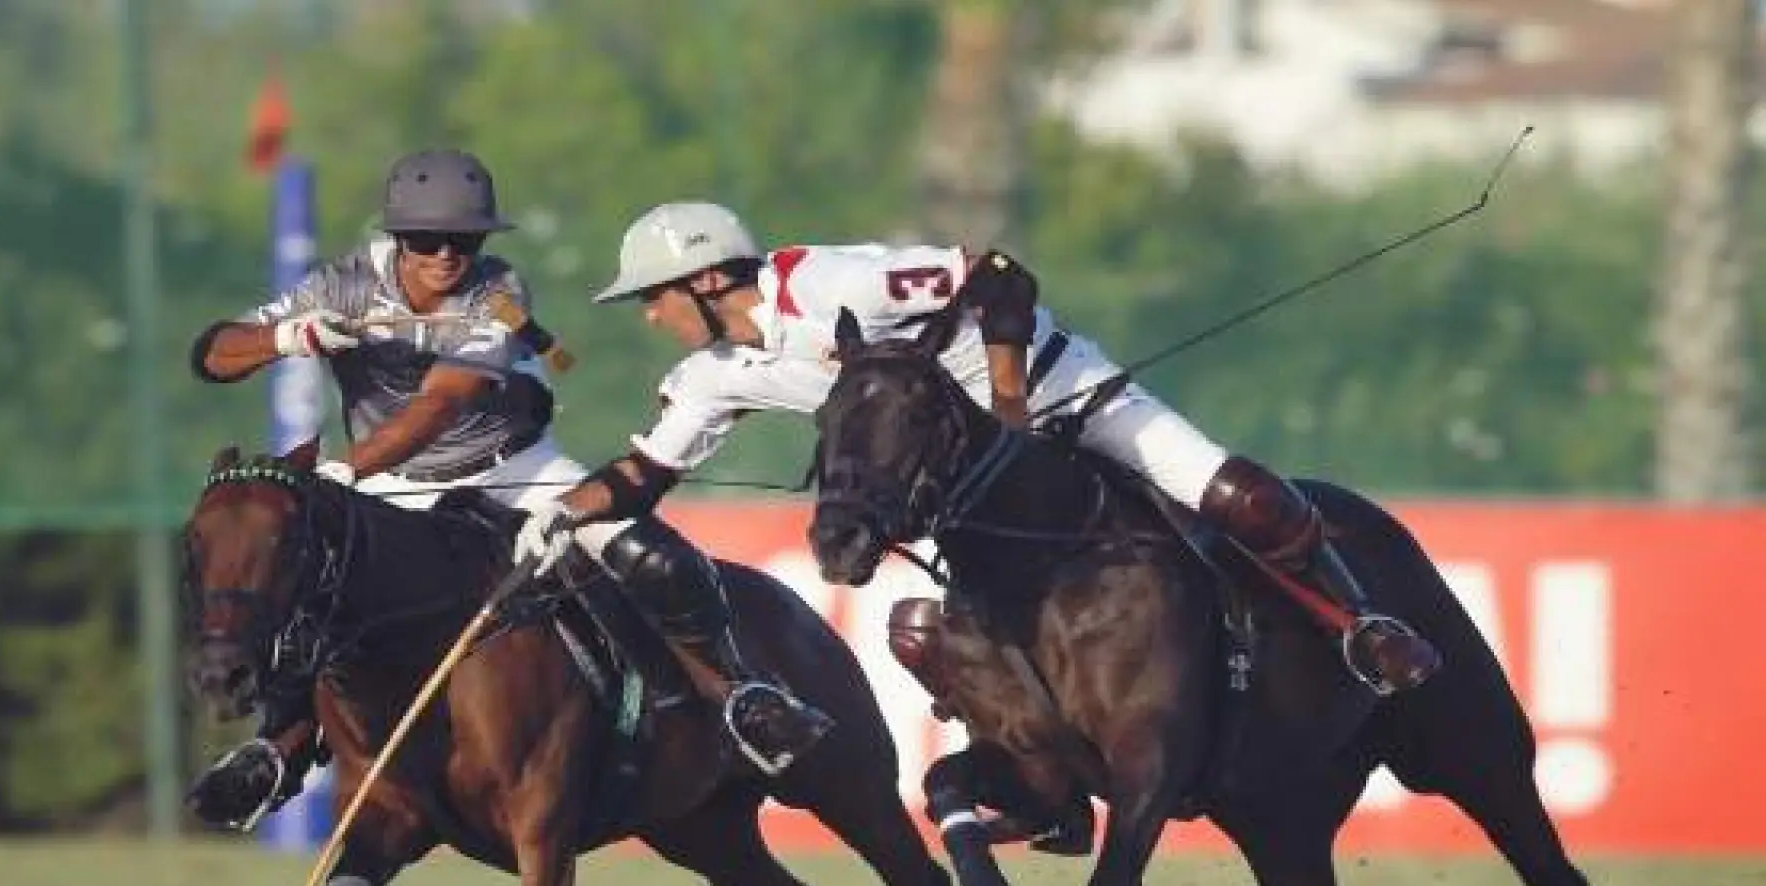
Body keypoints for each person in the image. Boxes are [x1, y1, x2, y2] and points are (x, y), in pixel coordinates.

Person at [512, 201, 1442, 715]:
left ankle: (1360, 624)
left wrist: (1009, 404)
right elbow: (642, 476)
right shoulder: (713, 374)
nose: (647, 314)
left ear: (709, 279)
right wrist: (558, 513)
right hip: (971, 486)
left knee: (1239, 495)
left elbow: (999, 276)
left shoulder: (831, 280)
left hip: (1062, 392)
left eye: (653, 295)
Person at [184, 155, 830, 832]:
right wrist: (288, 336)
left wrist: (350, 470)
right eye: (426, 242)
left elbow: (439, 406)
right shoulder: (342, 286)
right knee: (318, 591)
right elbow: (212, 354)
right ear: (397, 238)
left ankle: (745, 698)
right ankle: (276, 751)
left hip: (511, 470)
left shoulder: (495, 292)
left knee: (645, 550)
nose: (445, 256)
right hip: (394, 489)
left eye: (464, 241)